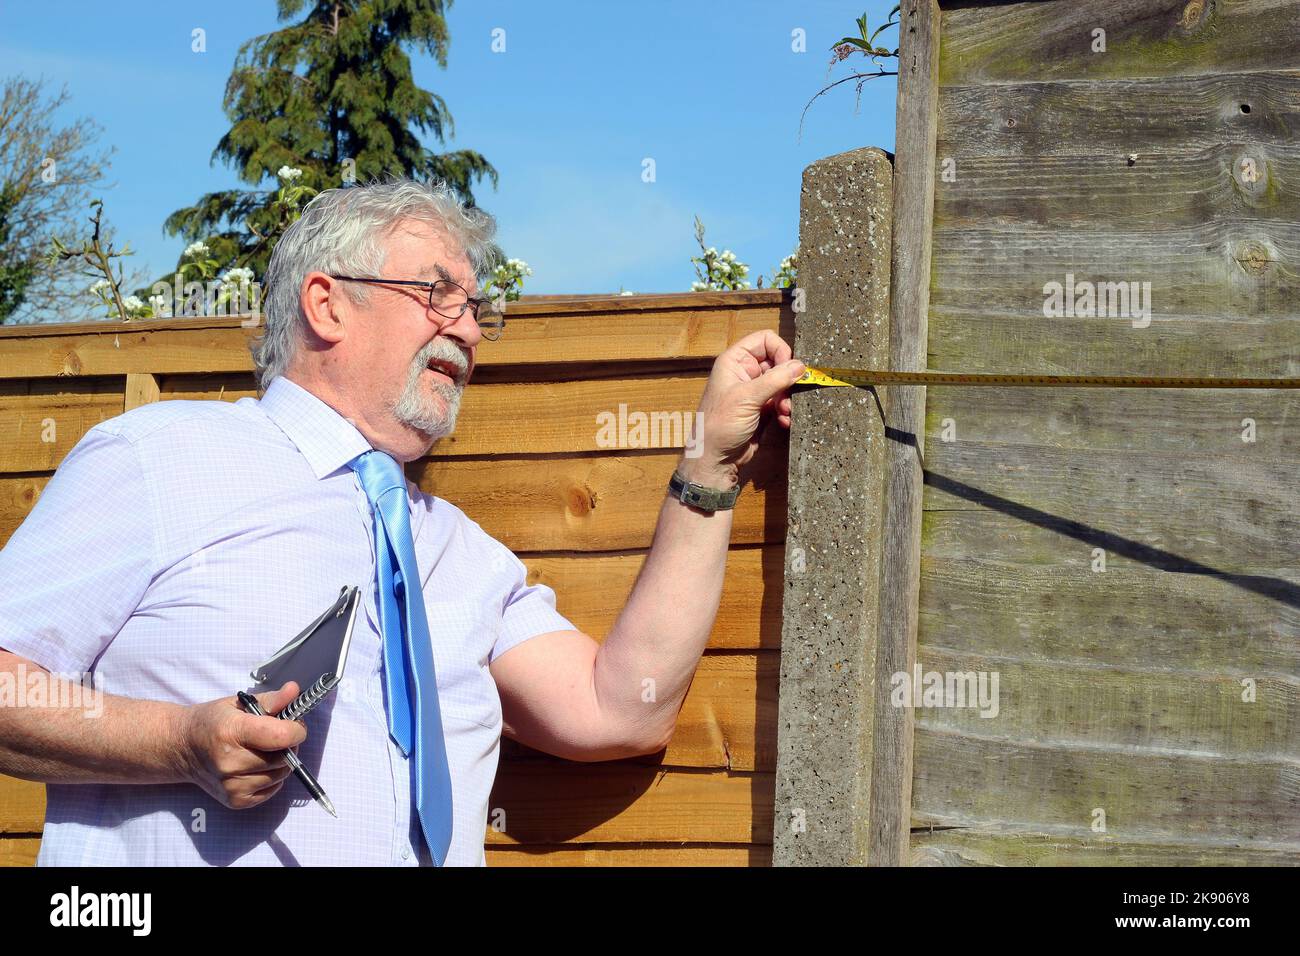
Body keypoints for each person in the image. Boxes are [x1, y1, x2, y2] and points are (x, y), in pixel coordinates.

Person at [0, 177, 804, 865]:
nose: (467, 326)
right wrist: (177, 743)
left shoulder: (460, 554)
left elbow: (622, 708)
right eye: (435, 294)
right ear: (327, 305)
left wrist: (710, 468)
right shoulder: (161, 456)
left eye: (477, 308)